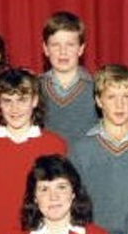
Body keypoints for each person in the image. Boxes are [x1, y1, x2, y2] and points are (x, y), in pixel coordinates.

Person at [0, 67, 68, 234]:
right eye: (7, 101)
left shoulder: (55, 145)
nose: (14, 109)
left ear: (35, 100)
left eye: (22, 100)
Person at [68, 64, 128, 234]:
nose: (120, 104)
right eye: (111, 97)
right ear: (99, 101)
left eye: (126, 97)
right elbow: (73, 201)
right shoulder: (80, 149)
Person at [38, 11, 97, 142]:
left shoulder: (96, 87)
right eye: (55, 45)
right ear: (46, 49)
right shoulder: (34, 87)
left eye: (70, 45)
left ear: (81, 49)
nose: (63, 51)